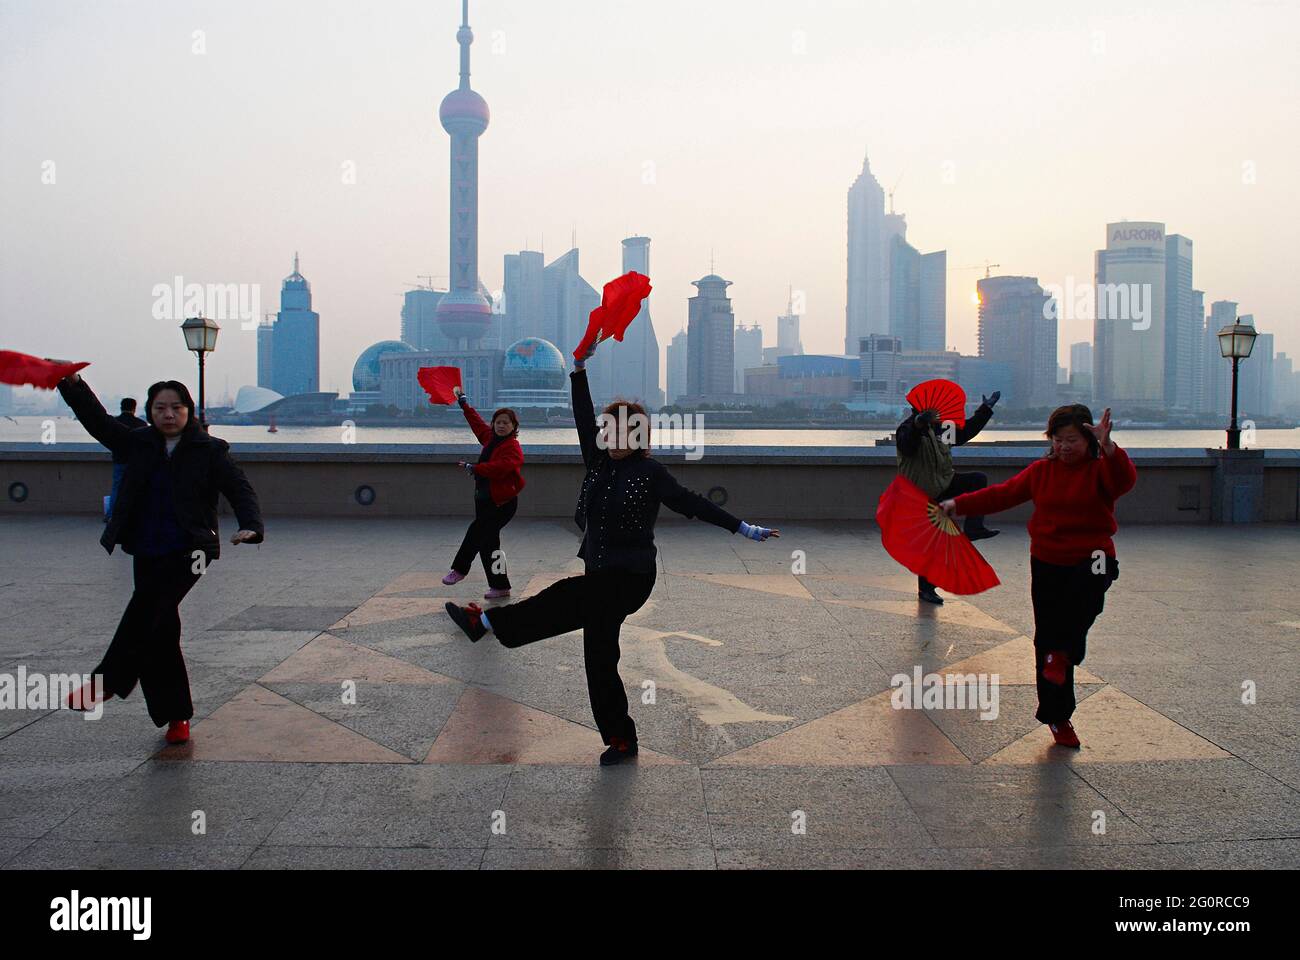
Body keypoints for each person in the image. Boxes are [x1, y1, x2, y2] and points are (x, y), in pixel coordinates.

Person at [445, 342, 780, 766]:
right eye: (610, 431)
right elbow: (583, 417)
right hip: (599, 572)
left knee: (567, 596)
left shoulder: (651, 473)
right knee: (599, 658)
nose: (614, 439)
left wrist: (744, 527)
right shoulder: (598, 463)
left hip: (630, 578)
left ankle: (488, 622)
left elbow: (692, 503)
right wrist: (579, 368)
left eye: (625, 433)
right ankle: (621, 739)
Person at [53, 367, 264, 744]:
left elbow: (240, 489)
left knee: (146, 610)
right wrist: (72, 385)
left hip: (192, 551)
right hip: (147, 548)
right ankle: (176, 717)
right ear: (150, 411)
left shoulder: (210, 450)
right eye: (160, 407)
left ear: (189, 411)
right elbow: (97, 421)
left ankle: (106, 683)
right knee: (160, 632)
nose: (168, 414)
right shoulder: (137, 443)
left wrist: (251, 525)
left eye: (176, 407)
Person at [940, 405, 1135, 749]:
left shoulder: (1101, 470)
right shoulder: (1041, 471)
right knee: (1047, 641)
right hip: (1047, 559)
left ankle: (1061, 652)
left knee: (1085, 603)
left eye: (1071, 439)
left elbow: (1124, 481)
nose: (1063, 446)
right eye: (1057, 439)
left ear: (1088, 438)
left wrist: (1110, 448)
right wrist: (959, 504)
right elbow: (1004, 494)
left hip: (1094, 555)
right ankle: (1058, 718)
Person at [896, 389, 1001, 605]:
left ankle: (974, 527)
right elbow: (908, 444)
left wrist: (985, 409)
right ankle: (926, 589)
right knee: (932, 542)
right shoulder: (906, 430)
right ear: (917, 411)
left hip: (944, 484)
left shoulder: (940, 429)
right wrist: (917, 425)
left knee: (977, 480)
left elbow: (964, 433)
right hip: (920, 494)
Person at [443, 388, 524, 599]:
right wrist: (464, 404)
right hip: (485, 500)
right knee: (490, 545)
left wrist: (476, 468)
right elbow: (477, 423)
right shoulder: (490, 439)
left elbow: (503, 467)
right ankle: (500, 586)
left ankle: (460, 569)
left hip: (502, 503)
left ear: (514, 427)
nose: (501, 425)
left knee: (476, 533)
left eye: (506, 422)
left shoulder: (513, 447)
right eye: (498, 422)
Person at [106, 397, 146, 521]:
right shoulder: (141, 424)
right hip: (136, 461)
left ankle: (111, 515)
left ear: (121, 407)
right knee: (137, 489)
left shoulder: (114, 422)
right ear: (134, 408)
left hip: (119, 459)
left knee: (117, 488)